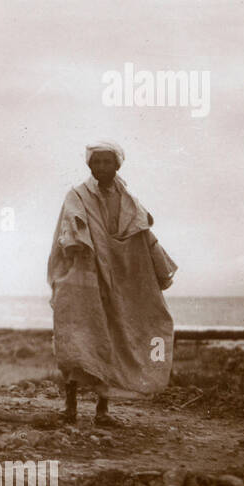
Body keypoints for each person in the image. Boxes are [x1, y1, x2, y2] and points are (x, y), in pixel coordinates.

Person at [46, 141, 177, 424]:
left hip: (119, 281)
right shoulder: (77, 196)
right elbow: (72, 228)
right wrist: (80, 246)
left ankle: (102, 411)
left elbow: (143, 235)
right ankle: (70, 407)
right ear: (89, 165)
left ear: (117, 165)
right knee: (77, 340)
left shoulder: (129, 201)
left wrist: (158, 267)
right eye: (97, 162)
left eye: (108, 162)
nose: (102, 167)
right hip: (83, 280)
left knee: (112, 340)